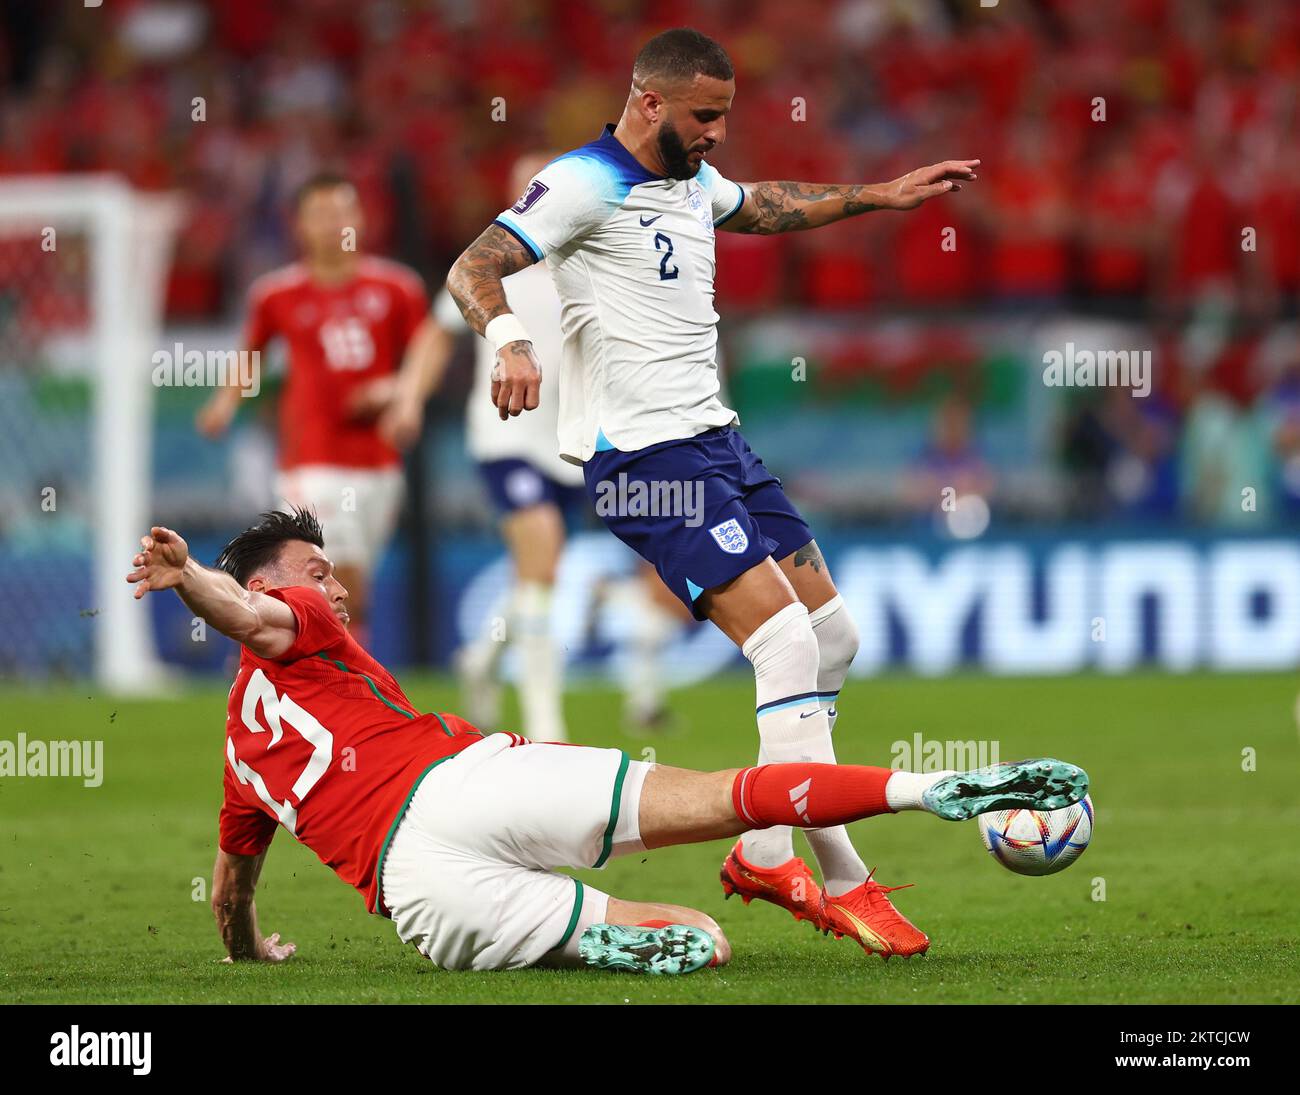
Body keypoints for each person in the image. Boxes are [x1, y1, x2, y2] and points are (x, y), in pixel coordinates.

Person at [446, 27, 979, 956]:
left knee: (833, 636)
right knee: (780, 640)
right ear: (649, 101)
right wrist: (511, 344)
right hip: (643, 463)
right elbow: (473, 266)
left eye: (726, 116)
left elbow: (764, 205)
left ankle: (768, 840)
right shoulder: (582, 181)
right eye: (705, 116)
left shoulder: (691, 178)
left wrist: (877, 196)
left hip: (718, 442)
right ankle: (836, 875)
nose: (719, 134)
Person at [125, 508, 1087, 974]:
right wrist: (193, 581)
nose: (332, 588)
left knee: (701, 945)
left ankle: (605, 929)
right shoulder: (296, 623)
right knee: (730, 795)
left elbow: (230, 887)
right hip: (470, 783)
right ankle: (932, 790)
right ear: (268, 583)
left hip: (422, 896)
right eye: (314, 571)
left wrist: (251, 953)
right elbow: (250, 613)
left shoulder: (239, 755)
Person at [196, 172, 437, 643]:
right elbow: (253, 354)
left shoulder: (397, 288)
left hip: (379, 462)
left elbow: (428, 352)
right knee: (330, 575)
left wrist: (401, 396)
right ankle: (339, 690)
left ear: (360, 219)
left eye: (342, 212)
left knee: (353, 588)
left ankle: (301, 674)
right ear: (299, 226)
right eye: (321, 215)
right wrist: (224, 403)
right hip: (311, 459)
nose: (333, 224)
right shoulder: (276, 294)